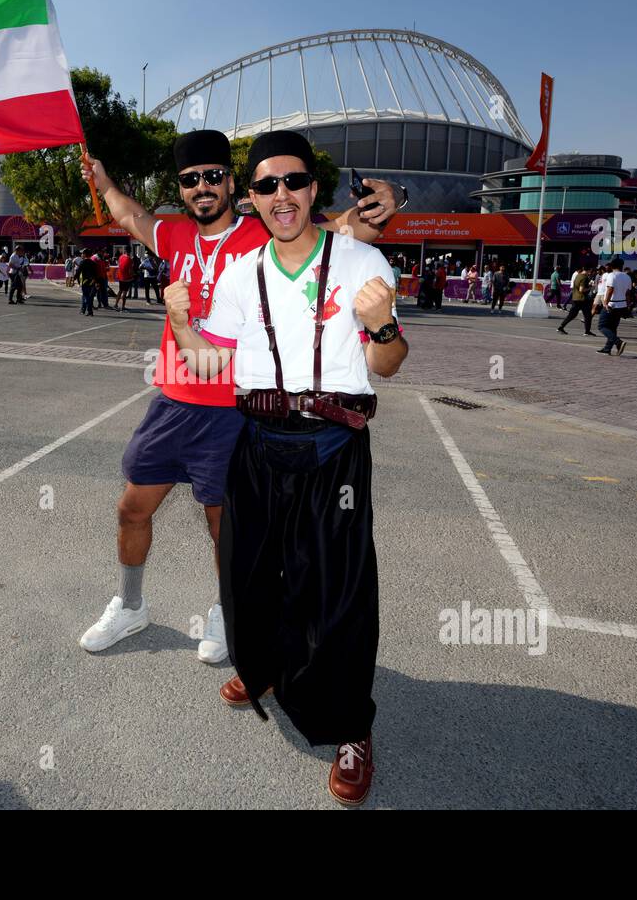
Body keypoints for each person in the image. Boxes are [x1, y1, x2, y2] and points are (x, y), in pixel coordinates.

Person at [76, 128, 398, 668]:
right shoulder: (174, 236)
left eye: (212, 176)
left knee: (223, 528)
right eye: (189, 180)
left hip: (236, 411)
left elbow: (347, 226)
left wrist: (387, 204)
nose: (202, 186)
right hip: (173, 404)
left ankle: (227, 611)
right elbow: (127, 214)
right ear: (180, 189)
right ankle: (131, 606)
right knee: (132, 509)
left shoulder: (266, 232)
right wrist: (104, 180)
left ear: (232, 183)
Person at [168, 129, 407, 805]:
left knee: (337, 594)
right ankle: (264, 666)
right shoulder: (243, 274)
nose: (282, 195)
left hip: (333, 448)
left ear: (314, 189)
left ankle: (352, 727)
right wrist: (181, 323)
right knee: (248, 575)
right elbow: (210, 363)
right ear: (251, 197)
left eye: (294, 182)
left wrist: (384, 328)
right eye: (267, 185)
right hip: (259, 441)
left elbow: (388, 363)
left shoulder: (362, 262)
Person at [596, 258, 632, 356]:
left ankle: (618, 342)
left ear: (612, 266)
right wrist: (627, 306)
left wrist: (605, 303)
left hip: (612, 304)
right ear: (622, 266)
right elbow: (628, 293)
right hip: (622, 305)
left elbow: (610, 289)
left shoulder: (612, 275)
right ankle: (607, 348)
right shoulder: (627, 277)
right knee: (612, 327)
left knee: (602, 326)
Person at [557, 264, 594, 335]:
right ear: (589, 270)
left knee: (572, 315)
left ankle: (561, 327)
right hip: (582, 299)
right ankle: (587, 331)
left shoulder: (578, 275)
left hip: (575, 298)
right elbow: (581, 290)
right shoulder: (584, 277)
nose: (591, 272)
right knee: (588, 316)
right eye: (591, 270)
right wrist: (590, 287)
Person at [75, 249, 99, 316]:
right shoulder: (93, 263)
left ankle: (89, 311)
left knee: (86, 296)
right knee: (89, 297)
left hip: (85, 282)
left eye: (82, 253)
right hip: (92, 282)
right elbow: (96, 274)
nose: (81, 255)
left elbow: (78, 272)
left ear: (85, 254)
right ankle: (87, 310)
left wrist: (73, 279)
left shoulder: (82, 262)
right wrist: (96, 282)